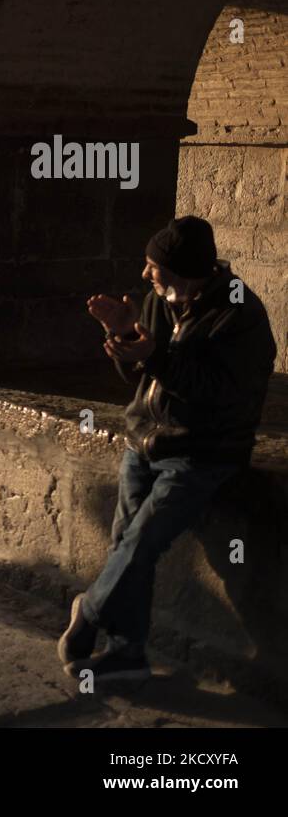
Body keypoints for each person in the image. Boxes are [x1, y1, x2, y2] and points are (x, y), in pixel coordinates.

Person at [60, 216, 276, 682]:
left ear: (184, 271)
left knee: (142, 542)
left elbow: (218, 392)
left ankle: (92, 608)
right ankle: (127, 653)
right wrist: (124, 340)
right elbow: (144, 376)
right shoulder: (161, 300)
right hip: (144, 440)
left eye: (153, 265)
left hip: (202, 450)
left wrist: (153, 356)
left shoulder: (241, 315)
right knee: (126, 543)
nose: (144, 275)